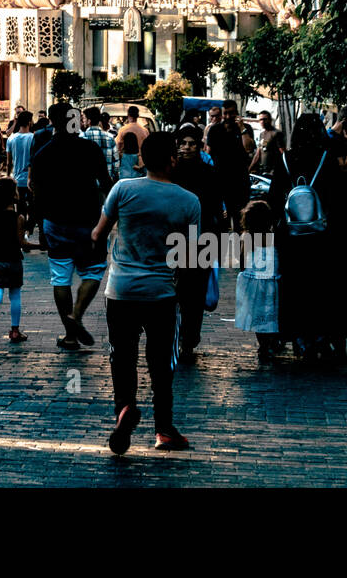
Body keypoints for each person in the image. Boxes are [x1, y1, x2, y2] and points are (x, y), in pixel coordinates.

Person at [92, 131, 199, 455]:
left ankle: (124, 407)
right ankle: (164, 430)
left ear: (142, 160)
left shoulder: (123, 189)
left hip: (121, 290)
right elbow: (191, 255)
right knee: (161, 363)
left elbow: (98, 233)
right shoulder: (188, 201)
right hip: (160, 293)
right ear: (172, 160)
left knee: (122, 357)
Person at [269, 112, 347, 361]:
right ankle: (320, 336)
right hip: (323, 237)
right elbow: (339, 200)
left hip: (291, 238)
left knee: (294, 287)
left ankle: (299, 337)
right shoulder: (327, 160)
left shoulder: (285, 159)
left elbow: (274, 198)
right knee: (321, 287)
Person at [29, 103, 112, 350]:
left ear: (52, 122)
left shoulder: (43, 153)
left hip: (55, 222)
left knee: (60, 277)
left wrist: (40, 229)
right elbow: (107, 183)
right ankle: (76, 314)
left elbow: (37, 194)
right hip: (89, 222)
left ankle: (70, 335)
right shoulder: (90, 148)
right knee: (94, 271)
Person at [172, 122, 224, 363]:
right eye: (183, 143)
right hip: (174, 239)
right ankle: (177, 337)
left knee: (194, 294)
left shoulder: (210, 173)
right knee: (176, 292)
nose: (187, 147)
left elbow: (214, 208)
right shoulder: (170, 172)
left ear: (199, 146)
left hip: (202, 240)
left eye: (192, 143)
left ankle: (189, 340)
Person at [0, 177, 35, 347]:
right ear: (13, 195)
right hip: (12, 260)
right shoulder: (17, 217)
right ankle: (14, 330)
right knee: (15, 295)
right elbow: (22, 243)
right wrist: (42, 245)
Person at [235, 200, 281, 363]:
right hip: (271, 281)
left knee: (257, 315)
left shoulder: (246, 237)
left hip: (253, 282)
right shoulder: (274, 237)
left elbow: (241, 262)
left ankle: (263, 344)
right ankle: (272, 341)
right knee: (271, 313)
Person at [206, 99, 251, 231]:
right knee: (221, 220)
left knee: (240, 219)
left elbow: (248, 148)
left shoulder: (245, 129)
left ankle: (239, 248)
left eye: (231, 113)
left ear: (236, 113)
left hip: (239, 181)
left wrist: (242, 128)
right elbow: (208, 154)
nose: (228, 117)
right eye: (225, 113)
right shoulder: (215, 130)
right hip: (219, 181)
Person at [6, 110, 36, 227]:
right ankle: (29, 229)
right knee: (33, 206)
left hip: (17, 178)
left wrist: (9, 176)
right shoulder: (34, 138)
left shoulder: (11, 139)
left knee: (20, 207)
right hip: (31, 179)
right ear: (29, 122)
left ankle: (21, 230)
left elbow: (9, 162)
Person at [81, 106, 119, 184]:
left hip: (88, 183)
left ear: (89, 121)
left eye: (84, 118)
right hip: (106, 182)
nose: (83, 121)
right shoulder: (110, 137)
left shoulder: (82, 137)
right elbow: (116, 162)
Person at [115, 106, 148, 179]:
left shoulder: (123, 130)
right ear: (138, 116)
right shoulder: (145, 131)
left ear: (128, 115)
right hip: (142, 164)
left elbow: (117, 148)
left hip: (127, 164)